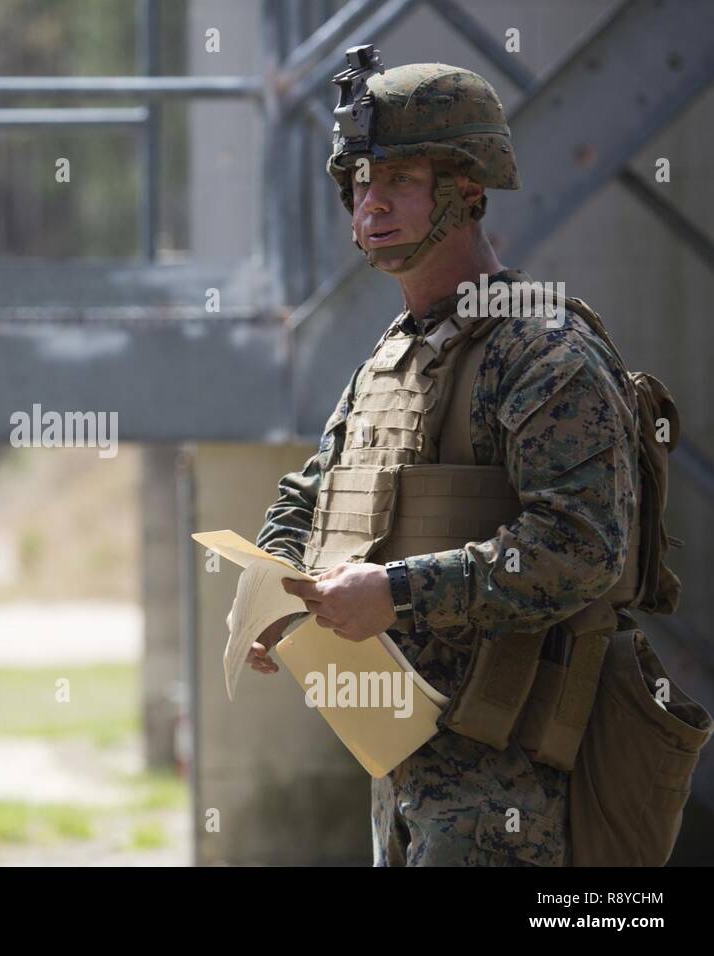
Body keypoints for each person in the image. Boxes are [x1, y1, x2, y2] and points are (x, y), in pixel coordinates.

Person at [249, 49, 638, 866]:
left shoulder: (546, 354)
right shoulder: (394, 356)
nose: (372, 204)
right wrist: (272, 585)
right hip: (403, 775)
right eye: (359, 182)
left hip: (509, 795)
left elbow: (581, 549)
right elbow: (311, 494)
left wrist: (394, 591)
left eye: (399, 180)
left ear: (467, 192)